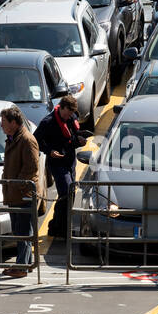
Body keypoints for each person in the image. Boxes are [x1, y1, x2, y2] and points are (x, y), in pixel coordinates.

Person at [34, 94, 90, 239]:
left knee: (69, 193)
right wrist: (49, 151)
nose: (69, 116)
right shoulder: (48, 122)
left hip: (70, 161)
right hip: (57, 164)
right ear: (62, 108)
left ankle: (56, 227)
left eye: (72, 113)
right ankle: (61, 228)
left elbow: (73, 138)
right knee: (65, 192)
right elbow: (36, 141)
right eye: (68, 113)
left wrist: (81, 140)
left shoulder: (71, 118)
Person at [0, 106, 40, 278]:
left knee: (23, 231)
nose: (1, 125)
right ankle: (24, 264)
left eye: (3, 122)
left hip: (23, 194)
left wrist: (15, 185)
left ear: (14, 123)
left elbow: (31, 168)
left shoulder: (26, 140)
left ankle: (22, 266)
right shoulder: (13, 138)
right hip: (15, 193)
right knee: (20, 230)